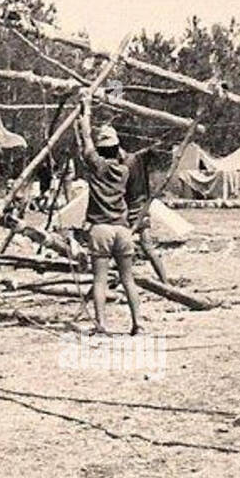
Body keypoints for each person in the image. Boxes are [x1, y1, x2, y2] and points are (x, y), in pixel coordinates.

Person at [73, 94, 143, 336]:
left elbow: (86, 141)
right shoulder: (124, 170)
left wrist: (86, 112)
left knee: (100, 280)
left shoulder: (97, 166)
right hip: (123, 230)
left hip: (101, 229)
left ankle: (101, 325)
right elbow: (120, 154)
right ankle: (138, 324)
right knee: (128, 280)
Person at [125, 145, 169, 285]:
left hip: (130, 209)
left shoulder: (129, 163)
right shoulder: (138, 160)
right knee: (147, 247)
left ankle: (163, 281)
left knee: (124, 248)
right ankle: (164, 280)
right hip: (141, 208)